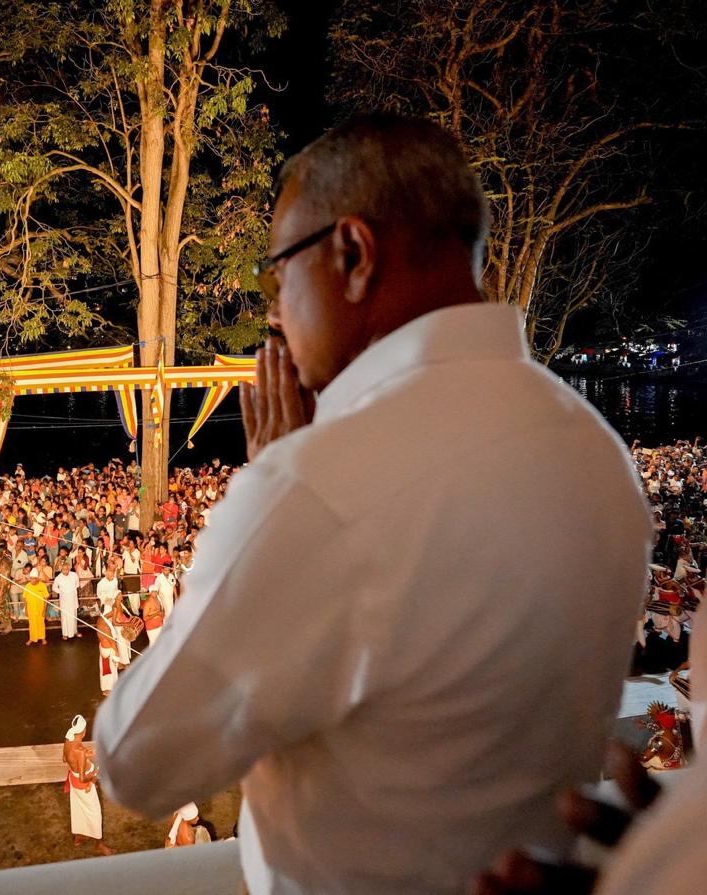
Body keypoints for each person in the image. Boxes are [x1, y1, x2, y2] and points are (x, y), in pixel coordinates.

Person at [94, 114, 653, 895]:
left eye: (276, 275)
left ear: (351, 254)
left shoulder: (319, 486)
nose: (274, 315)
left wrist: (264, 499)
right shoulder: (597, 452)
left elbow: (133, 759)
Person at [62, 715, 114, 855]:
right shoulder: (79, 752)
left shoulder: (68, 741)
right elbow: (83, 777)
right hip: (82, 784)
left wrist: (85, 755)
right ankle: (99, 844)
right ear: (83, 731)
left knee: (78, 808)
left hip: (73, 780)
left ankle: (79, 837)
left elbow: (64, 759)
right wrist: (95, 774)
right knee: (95, 813)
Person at [53, 565, 81, 638]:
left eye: (66, 569)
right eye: (63, 569)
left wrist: (71, 592)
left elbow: (77, 584)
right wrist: (62, 592)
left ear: (69, 569)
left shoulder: (74, 575)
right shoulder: (58, 578)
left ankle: (75, 631)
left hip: (73, 599)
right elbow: (54, 587)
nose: (65, 571)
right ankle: (65, 634)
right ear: (61, 569)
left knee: (74, 616)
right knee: (65, 617)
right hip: (64, 600)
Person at [23, 567, 49, 646]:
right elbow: (25, 599)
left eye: (34, 578)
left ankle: (43, 638)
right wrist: (26, 609)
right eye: (31, 578)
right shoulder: (27, 586)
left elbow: (46, 599)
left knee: (41, 623)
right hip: (31, 609)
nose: (32, 580)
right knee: (32, 624)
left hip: (40, 609)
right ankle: (32, 638)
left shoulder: (42, 586)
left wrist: (44, 610)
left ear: (37, 578)